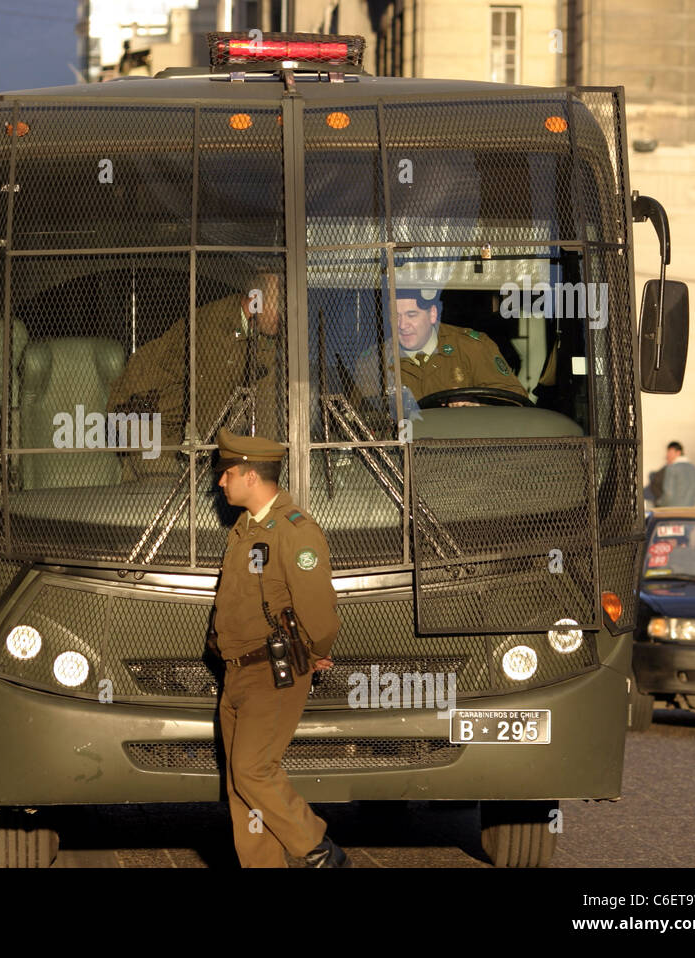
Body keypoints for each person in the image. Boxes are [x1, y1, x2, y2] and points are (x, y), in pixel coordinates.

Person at [209, 428, 348, 868]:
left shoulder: (294, 531)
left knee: (253, 770)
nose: (220, 483)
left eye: (225, 474)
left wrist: (313, 648)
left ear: (249, 476)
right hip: (236, 673)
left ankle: (317, 848)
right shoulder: (246, 529)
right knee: (239, 785)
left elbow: (319, 611)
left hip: (273, 671)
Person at [106, 271, 284, 477]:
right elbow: (213, 416)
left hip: (175, 416)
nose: (284, 314)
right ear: (255, 301)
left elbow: (267, 403)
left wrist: (272, 456)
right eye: (279, 306)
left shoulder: (259, 335)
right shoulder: (214, 326)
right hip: (138, 410)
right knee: (161, 484)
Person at [355, 289, 527, 407]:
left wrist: (476, 404)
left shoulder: (472, 347)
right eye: (395, 316)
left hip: (469, 452)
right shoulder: (374, 364)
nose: (402, 325)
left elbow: (517, 402)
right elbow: (361, 418)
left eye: (411, 315)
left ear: (432, 314)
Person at [653, 441, 695, 507]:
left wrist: (660, 503)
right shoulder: (693, 468)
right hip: (691, 510)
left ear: (678, 452)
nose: (667, 455)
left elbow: (668, 493)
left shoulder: (672, 468)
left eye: (670, 452)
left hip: (674, 510)